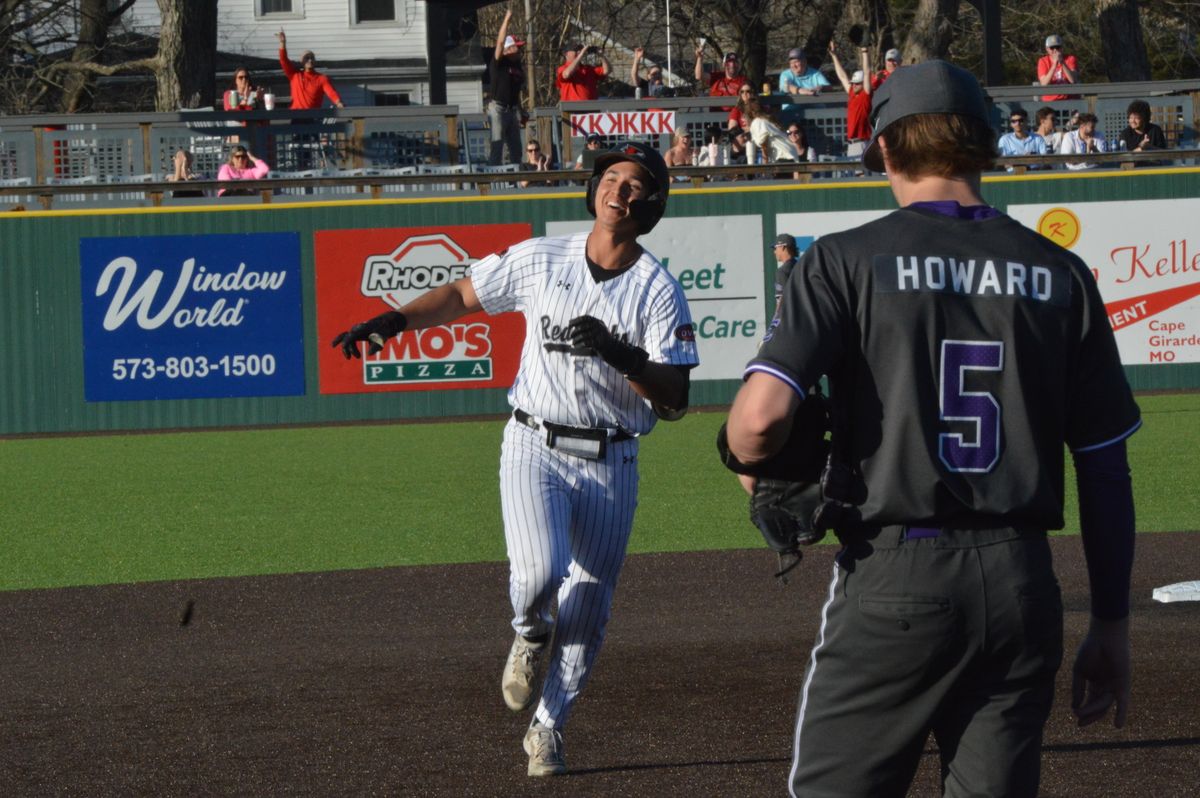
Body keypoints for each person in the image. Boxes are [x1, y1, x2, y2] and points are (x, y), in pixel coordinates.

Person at [723, 59, 1139, 797]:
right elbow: (1105, 467)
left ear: (884, 148)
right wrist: (1110, 623)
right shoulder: (1062, 273)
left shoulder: (844, 260)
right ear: (984, 141)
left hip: (897, 575)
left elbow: (759, 423)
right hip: (1021, 581)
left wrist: (744, 457)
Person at [331, 141, 698, 778]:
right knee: (538, 574)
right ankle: (529, 632)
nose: (619, 190)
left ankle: (548, 729)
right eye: (610, 177)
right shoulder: (542, 256)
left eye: (636, 183)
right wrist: (392, 322)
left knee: (588, 607)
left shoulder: (657, 289)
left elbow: (675, 400)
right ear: (593, 190)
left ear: (653, 203)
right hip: (535, 439)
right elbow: (460, 297)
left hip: (612, 459)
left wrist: (623, 356)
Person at [487, 9, 526, 166]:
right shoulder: (499, 62)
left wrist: (521, 109)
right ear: (508, 49)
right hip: (498, 108)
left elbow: (515, 91)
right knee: (497, 146)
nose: (520, 49)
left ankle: (519, 183)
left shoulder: (517, 65)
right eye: (517, 46)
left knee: (516, 149)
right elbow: (500, 42)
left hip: (512, 109)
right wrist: (507, 19)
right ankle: (492, 183)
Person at [276, 30, 344, 110]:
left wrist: (339, 103)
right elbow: (283, 60)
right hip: (296, 117)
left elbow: (331, 93)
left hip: (313, 118)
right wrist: (282, 43)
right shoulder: (295, 75)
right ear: (302, 61)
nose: (310, 60)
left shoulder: (321, 78)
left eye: (312, 58)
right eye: (307, 58)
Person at [828, 43, 873, 159]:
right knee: (854, 175)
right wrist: (834, 55)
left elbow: (867, 72)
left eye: (857, 83)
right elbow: (842, 76)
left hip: (862, 142)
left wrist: (864, 51)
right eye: (853, 83)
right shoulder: (853, 94)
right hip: (852, 144)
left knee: (861, 176)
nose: (854, 85)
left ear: (863, 84)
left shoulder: (866, 95)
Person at [779, 48, 830, 112]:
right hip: (792, 112)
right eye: (791, 63)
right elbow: (787, 87)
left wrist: (821, 87)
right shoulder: (785, 74)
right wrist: (801, 91)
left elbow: (829, 87)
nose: (793, 65)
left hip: (814, 109)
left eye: (796, 62)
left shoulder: (815, 73)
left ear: (805, 62)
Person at [1038, 34, 1079, 101]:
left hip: (1070, 100)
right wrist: (1054, 65)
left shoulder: (1070, 59)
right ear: (1047, 49)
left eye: (1057, 47)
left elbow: (1073, 80)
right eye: (1052, 48)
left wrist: (1062, 62)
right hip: (1050, 101)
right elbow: (1044, 83)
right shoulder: (1043, 61)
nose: (1055, 50)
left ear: (1062, 48)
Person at [770, 232, 798, 308]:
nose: (774, 252)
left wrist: (776, 320)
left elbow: (781, 302)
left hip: (792, 317)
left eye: (775, 248)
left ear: (782, 247)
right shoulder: (801, 267)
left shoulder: (782, 271)